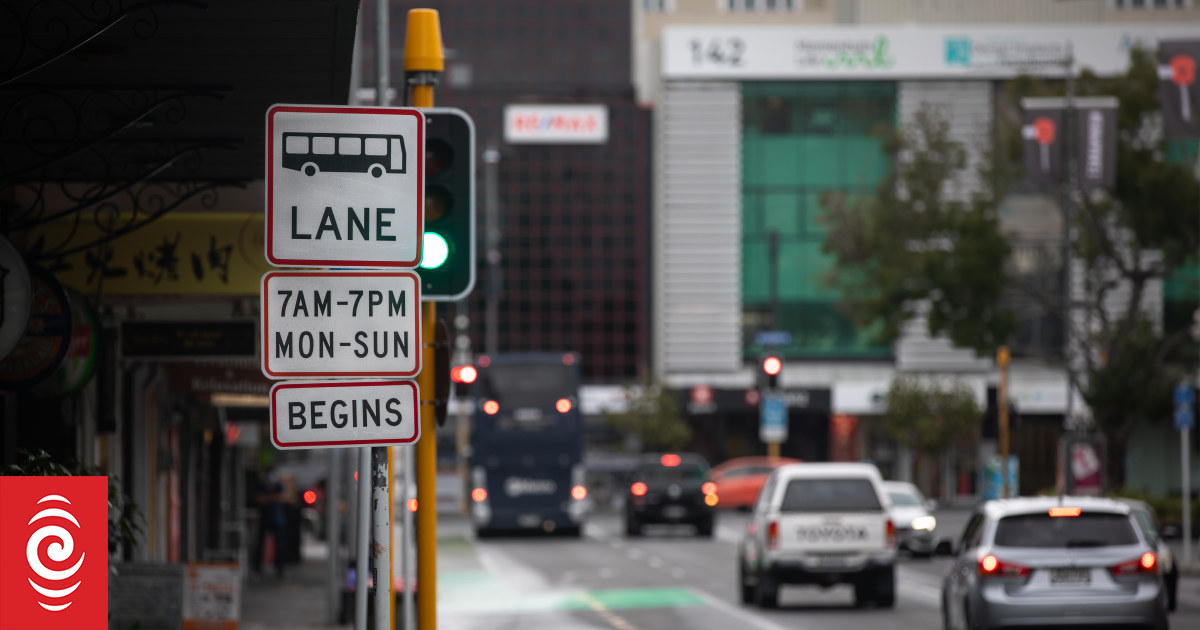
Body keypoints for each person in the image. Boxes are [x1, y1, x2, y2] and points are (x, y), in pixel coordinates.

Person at [252, 467, 287, 578]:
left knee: (280, 545)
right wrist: (272, 498)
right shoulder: (262, 486)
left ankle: (280, 568)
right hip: (265, 519)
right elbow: (259, 499)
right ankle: (257, 568)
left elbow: (281, 498)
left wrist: (267, 499)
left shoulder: (279, 486)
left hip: (277, 520)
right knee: (260, 545)